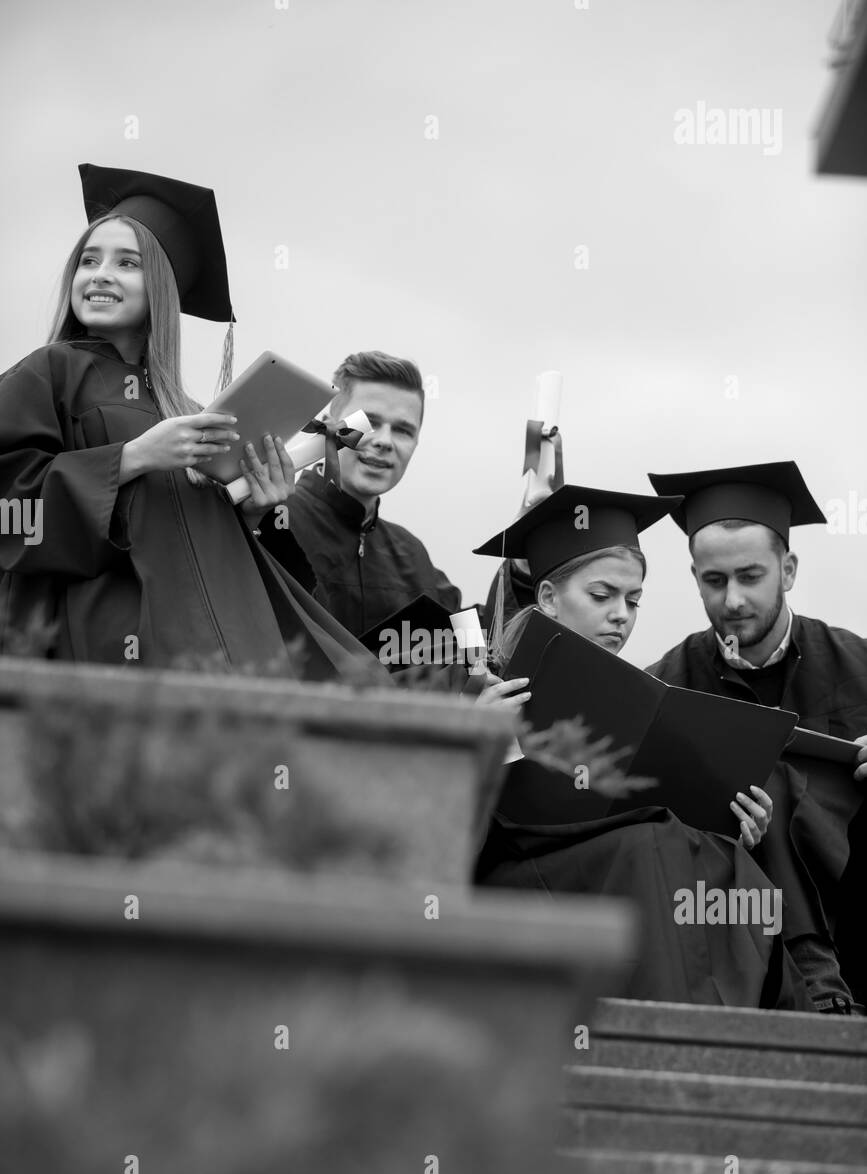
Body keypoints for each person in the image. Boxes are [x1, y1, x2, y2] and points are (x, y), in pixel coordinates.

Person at [0, 162, 386, 683]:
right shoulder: (48, 372)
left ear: (162, 287)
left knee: (358, 684)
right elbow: (11, 512)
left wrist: (252, 510)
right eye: (88, 260)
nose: (100, 275)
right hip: (103, 652)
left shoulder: (188, 409)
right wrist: (132, 458)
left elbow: (196, 545)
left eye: (127, 263)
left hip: (203, 649)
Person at [472, 484, 813, 1011]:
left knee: (728, 863)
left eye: (632, 601)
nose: (621, 615)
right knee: (652, 845)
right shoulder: (486, 683)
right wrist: (478, 744)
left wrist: (738, 823)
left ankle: (743, 1041)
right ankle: (668, 1031)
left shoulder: (634, 693)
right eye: (601, 595)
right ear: (547, 599)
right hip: (524, 872)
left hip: (618, 857)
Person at [645, 461, 867, 1014]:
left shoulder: (860, 665)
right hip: (735, 917)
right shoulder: (664, 688)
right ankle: (817, 986)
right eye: (713, 581)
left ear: (787, 569)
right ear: (694, 575)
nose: (733, 601)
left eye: (750, 576)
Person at [258, 351, 462, 637]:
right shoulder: (268, 520)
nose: (384, 441)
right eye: (370, 422)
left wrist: (522, 562)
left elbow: (473, 652)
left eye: (403, 430)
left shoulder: (414, 557)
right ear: (328, 424)